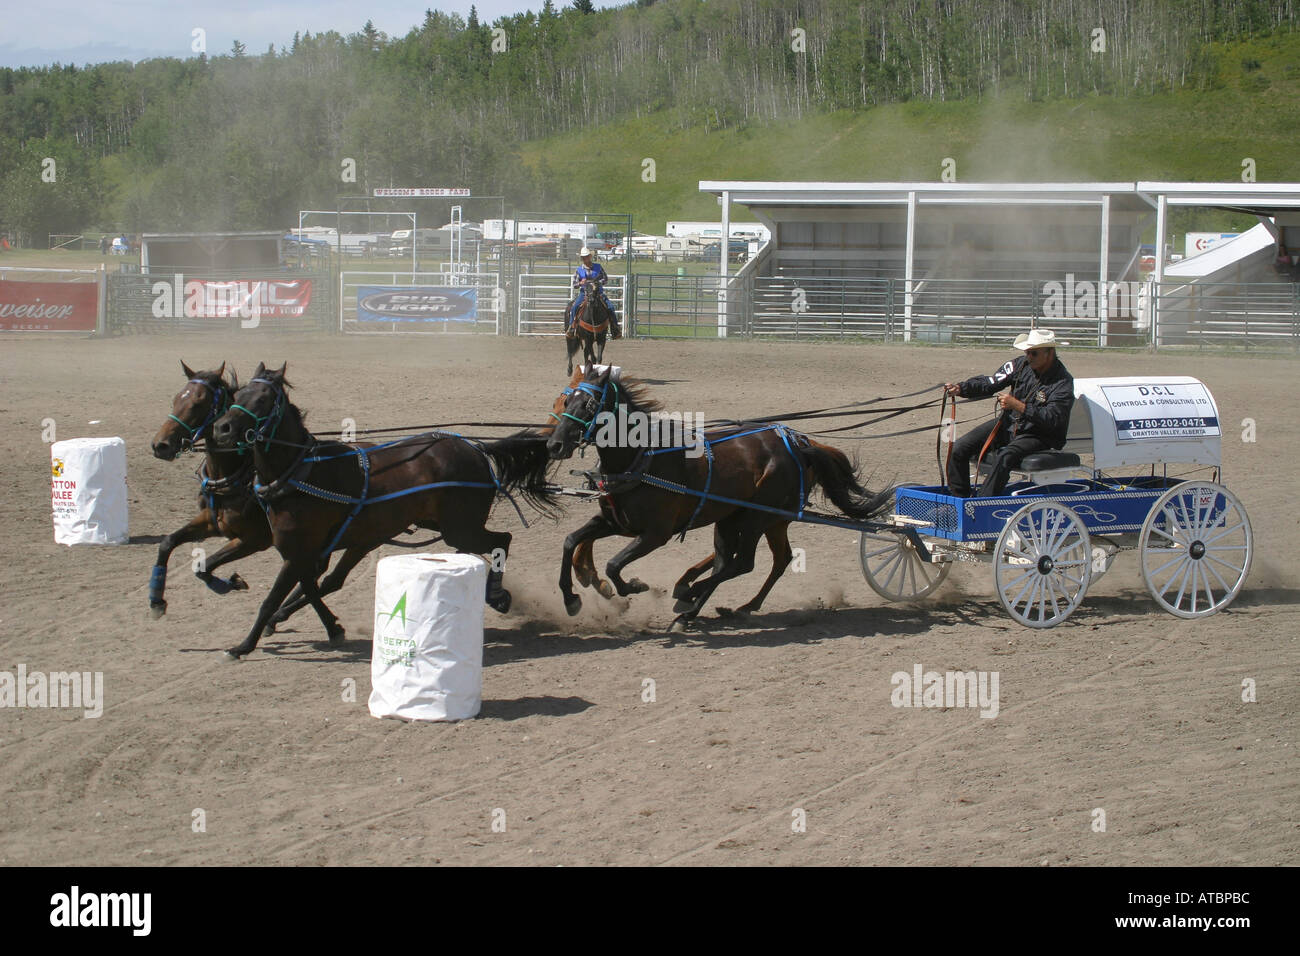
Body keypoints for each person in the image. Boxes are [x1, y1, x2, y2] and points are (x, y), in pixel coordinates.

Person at [942, 329, 1075, 497]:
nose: (1029, 357)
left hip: (1040, 435)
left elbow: (1053, 419)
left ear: (1050, 353)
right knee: (959, 448)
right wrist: (961, 388)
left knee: (1005, 456)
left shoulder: (1063, 382)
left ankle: (981, 504)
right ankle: (959, 500)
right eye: (1027, 352)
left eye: (1034, 353)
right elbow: (991, 382)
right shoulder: (1020, 365)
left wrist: (1019, 406)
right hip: (1010, 424)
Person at [566, 246, 622, 339]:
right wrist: (580, 283)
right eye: (583, 257)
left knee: (611, 307)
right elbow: (575, 284)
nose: (585, 259)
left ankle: (615, 328)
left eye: (586, 256)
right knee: (574, 307)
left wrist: (597, 283)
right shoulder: (579, 270)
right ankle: (572, 328)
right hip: (584, 293)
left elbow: (605, 278)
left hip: (598, 293)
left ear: (590, 257)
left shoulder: (598, 267)